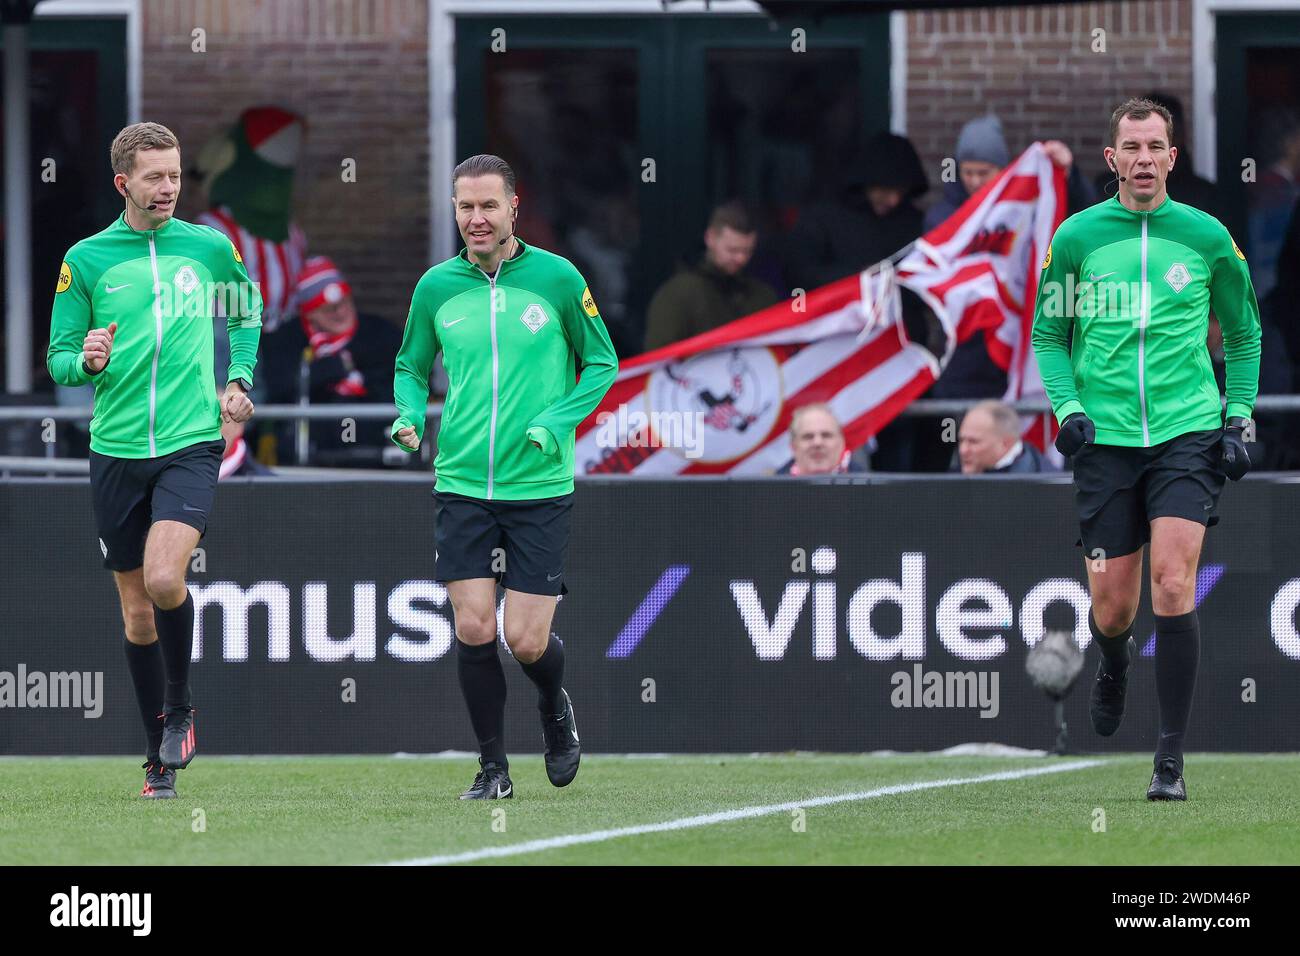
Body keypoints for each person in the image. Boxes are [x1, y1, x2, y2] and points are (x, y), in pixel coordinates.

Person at [1031, 98, 1261, 802]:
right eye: (1129, 147)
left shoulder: (1208, 237)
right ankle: (1113, 663)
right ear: (1111, 159)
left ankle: (1169, 762)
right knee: (1112, 607)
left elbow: (1244, 335)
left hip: (1186, 434)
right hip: (1104, 441)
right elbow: (1047, 336)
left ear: (1172, 157)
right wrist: (1068, 410)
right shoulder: (1075, 239)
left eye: (1154, 146)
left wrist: (1238, 418)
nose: (1142, 158)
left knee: (1172, 583)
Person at [390, 154, 618, 800]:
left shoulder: (558, 278)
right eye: (465, 206)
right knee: (473, 627)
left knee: (524, 638)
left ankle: (553, 707)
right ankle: (493, 770)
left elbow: (602, 363)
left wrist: (557, 420)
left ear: (514, 207)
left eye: (489, 205)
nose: (476, 218)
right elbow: (410, 365)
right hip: (461, 480)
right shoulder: (436, 287)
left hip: (539, 486)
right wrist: (409, 415)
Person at [46, 122, 262, 798]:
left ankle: (182, 708)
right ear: (124, 184)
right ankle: (157, 759)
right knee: (137, 614)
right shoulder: (86, 260)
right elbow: (56, 356)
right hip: (114, 453)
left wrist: (241, 378)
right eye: (154, 178)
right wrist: (84, 360)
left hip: (190, 443)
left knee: (167, 578)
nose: (168, 187)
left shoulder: (207, 249)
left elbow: (247, 311)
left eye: (173, 176)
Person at [262, 256, 402, 465]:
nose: (341, 312)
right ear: (309, 314)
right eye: (329, 309)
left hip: (375, 454)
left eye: (344, 302)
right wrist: (332, 368)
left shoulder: (381, 334)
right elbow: (279, 389)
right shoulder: (287, 340)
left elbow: (405, 382)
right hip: (307, 458)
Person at [783, 131, 929, 291]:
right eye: (885, 190)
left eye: (901, 192)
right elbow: (799, 274)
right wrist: (858, 277)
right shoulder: (824, 217)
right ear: (866, 182)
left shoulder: (914, 222)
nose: (893, 201)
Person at [643, 201, 777, 351]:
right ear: (710, 238)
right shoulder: (678, 295)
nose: (741, 258)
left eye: (747, 251)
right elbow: (658, 358)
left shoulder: (763, 296)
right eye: (732, 250)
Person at [953, 400, 1049, 474]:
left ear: (1006, 444)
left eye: (973, 442)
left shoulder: (1045, 487)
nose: (963, 450)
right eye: (961, 440)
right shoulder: (953, 480)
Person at [776, 403, 867, 475]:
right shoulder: (771, 493)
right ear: (793, 446)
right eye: (808, 436)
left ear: (841, 443)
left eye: (826, 435)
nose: (817, 443)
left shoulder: (869, 490)